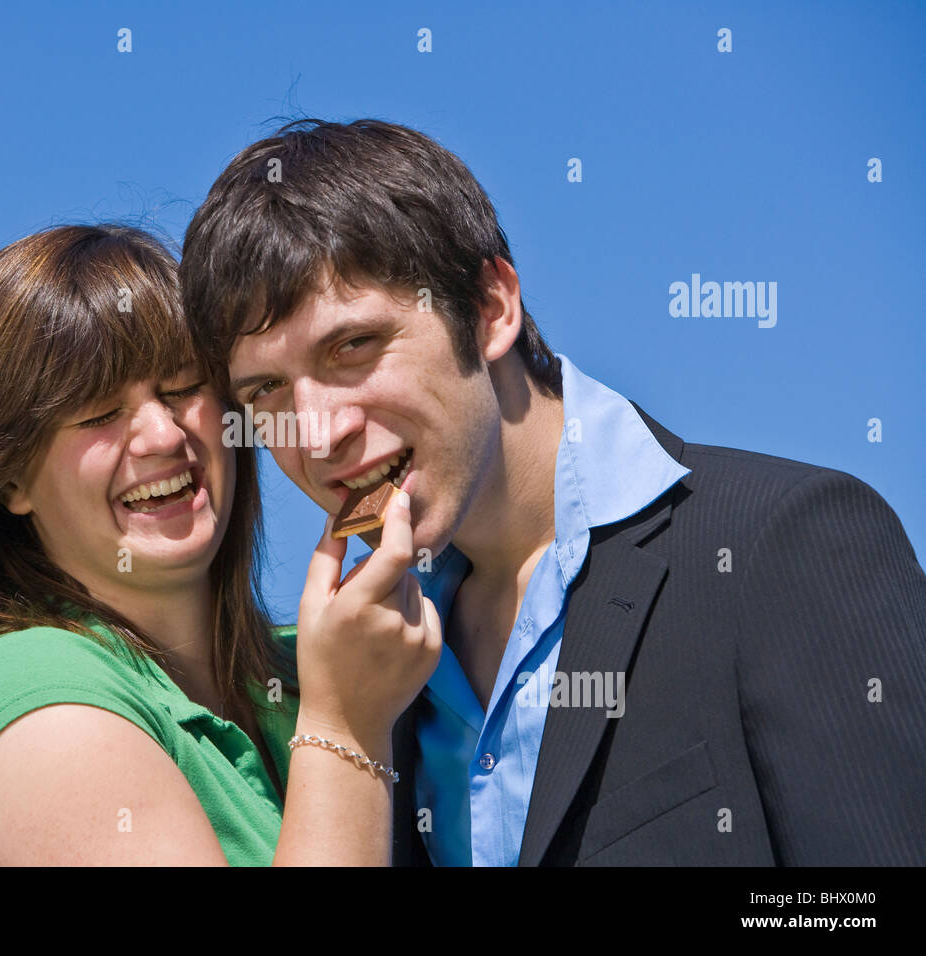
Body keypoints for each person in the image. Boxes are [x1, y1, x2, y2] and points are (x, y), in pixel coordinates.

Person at [178, 118, 926, 866]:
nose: (315, 436)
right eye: (267, 390)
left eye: (352, 347)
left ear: (491, 308)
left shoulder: (784, 544)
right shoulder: (360, 676)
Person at [0, 223, 441, 866]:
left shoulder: (334, 665)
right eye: (97, 413)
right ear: (10, 478)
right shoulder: (37, 710)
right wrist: (345, 728)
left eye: (181, 389)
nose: (161, 436)